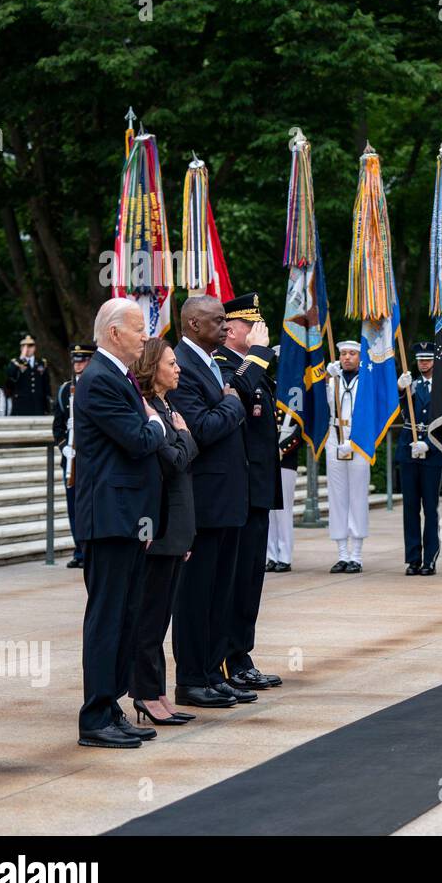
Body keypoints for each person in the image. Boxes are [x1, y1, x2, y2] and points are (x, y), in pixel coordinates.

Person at [73, 298, 168, 748]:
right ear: (114, 333)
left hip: (130, 518)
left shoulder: (120, 377)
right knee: (108, 617)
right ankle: (94, 717)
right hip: (110, 518)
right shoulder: (99, 380)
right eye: (138, 329)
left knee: (126, 615)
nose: (145, 336)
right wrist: (157, 426)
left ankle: (111, 706)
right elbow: (136, 439)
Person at [170, 295, 252, 709]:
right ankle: (190, 678)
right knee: (196, 593)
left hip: (228, 497)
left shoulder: (212, 361)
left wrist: (226, 401)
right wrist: (233, 404)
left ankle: (213, 671)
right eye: (218, 320)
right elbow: (199, 429)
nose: (226, 326)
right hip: (204, 499)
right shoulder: (182, 366)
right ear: (192, 324)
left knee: (221, 591)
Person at [129, 338, 198, 726]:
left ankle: (157, 691)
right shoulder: (149, 408)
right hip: (160, 528)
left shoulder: (167, 406)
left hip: (177, 527)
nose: (178, 369)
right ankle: (144, 693)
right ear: (153, 367)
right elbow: (172, 463)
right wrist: (186, 436)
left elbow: (181, 463)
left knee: (161, 618)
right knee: (150, 619)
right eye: (171, 363)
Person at [216, 293, 282, 690]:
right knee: (234, 577)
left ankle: (241, 655)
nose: (258, 331)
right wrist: (258, 353)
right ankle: (224, 658)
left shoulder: (252, 366)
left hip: (257, 487)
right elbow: (238, 394)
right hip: (235, 489)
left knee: (251, 579)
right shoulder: (223, 365)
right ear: (231, 329)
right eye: (250, 325)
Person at [396, 342, 442, 575]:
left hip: (432, 453)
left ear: (435, 360)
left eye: (428, 359)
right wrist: (400, 391)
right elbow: (398, 412)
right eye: (420, 359)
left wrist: (429, 443)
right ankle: (413, 558)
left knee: (430, 507)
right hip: (409, 449)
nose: (423, 363)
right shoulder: (410, 386)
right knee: (410, 508)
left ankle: (430, 558)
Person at [324, 340, 370, 573]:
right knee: (337, 497)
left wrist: (355, 440)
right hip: (335, 436)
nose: (347, 357)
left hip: (358, 438)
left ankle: (356, 554)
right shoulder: (332, 378)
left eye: (352, 353)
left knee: (358, 497)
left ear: (359, 357)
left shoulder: (366, 380)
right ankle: (342, 553)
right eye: (343, 353)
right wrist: (324, 377)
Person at [52, 342, 95, 568]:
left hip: (89, 456)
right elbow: (57, 427)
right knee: (73, 506)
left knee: (89, 504)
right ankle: (79, 550)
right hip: (70, 458)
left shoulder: (95, 386)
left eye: (83, 360)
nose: (78, 364)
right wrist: (64, 446)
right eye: (76, 361)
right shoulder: (65, 390)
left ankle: (89, 550)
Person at [266, 406, 301, 572]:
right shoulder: (269, 402)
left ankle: (285, 556)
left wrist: (282, 449)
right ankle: (271, 556)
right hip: (267, 462)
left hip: (286, 462)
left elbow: (299, 433)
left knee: (283, 511)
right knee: (270, 512)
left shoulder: (295, 405)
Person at [6, 334, 51, 415]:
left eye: (30, 345)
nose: (27, 348)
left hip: (38, 405)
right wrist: (21, 358)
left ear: (35, 348)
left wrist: (47, 404)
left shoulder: (42, 362)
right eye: (24, 346)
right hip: (21, 405)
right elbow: (10, 375)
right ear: (21, 348)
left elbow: (46, 384)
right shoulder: (16, 362)